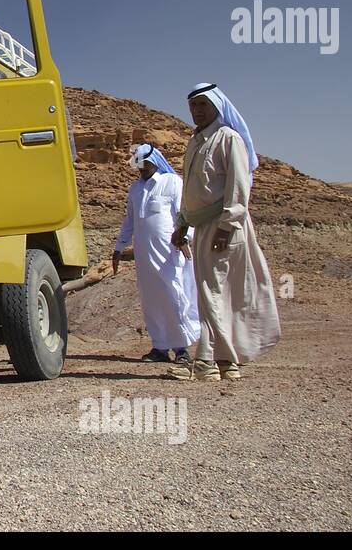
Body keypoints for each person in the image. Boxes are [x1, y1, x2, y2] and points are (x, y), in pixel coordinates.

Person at [167, 83, 281, 381]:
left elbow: (238, 187)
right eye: (193, 106)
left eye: (202, 105)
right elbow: (191, 190)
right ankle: (225, 362)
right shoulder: (195, 142)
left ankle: (208, 360)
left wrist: (227, 227)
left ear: (217, 105)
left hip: (224, 228)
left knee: (213, 292)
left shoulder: (229, 139)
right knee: (210, 293)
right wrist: (182, 224)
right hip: (202, 226)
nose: (197, 111)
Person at [112, 144, 201, 364]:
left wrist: (185, 238)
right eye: (138, 165)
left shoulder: (172, 183)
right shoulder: (135, 189)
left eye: (145, 164)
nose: (141, 169)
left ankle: (182, 349)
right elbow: (130, 221)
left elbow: (185, 212)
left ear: (155, 161)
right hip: (144, 255)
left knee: (174, 296)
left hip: (170, 251)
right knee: (151, 300)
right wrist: (118, 247)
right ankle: (160, 347)